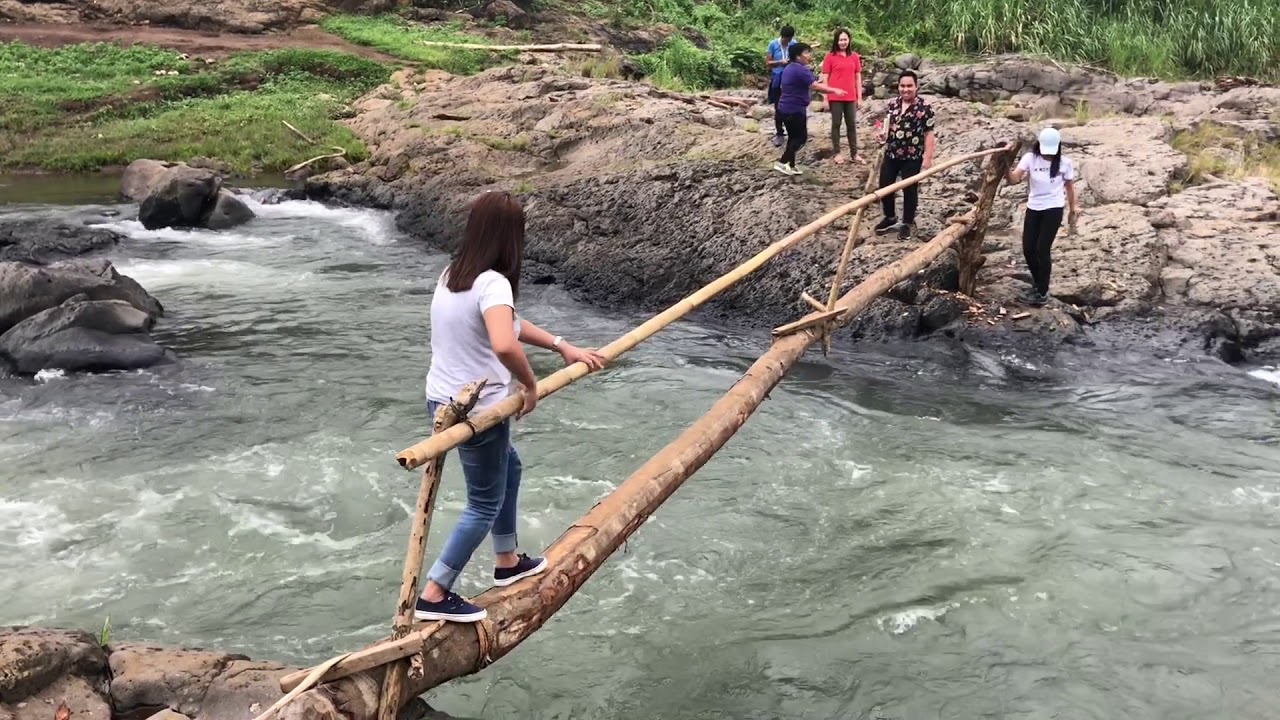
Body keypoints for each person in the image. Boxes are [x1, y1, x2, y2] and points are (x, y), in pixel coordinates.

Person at [416, 191, 607, 623]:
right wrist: (528, 382)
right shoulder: (494, 282)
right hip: (479, 410)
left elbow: (509, 325)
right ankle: (434, 592)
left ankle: (507, 561)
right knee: (482, 503)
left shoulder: (453, 275)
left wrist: (563, 346)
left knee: (511, 467)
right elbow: (503, 341)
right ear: (511, 238)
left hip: (440, 398)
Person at [1006, 127, 1079, 307]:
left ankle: (1042, 291)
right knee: (1028, 248)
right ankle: (1038, 283)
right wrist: (1005, 166)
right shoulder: (1030, 158)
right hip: (1034, 207)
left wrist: (1073, 209)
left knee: (1042, 248)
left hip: (1053, 208)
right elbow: (1014, 179)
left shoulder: (1064, 163)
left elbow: (1070, 187)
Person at [869, 70, 935, 240]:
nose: (906, 89)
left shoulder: (925, 108)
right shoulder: (892, 104)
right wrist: (880, 134)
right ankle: (890, 217)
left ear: (916, 87)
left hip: (912, 156)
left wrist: (928, 158)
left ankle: (907, 222)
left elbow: (929, 134)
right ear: (898, 87)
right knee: (885, 186)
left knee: (909, 189)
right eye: (902, 86)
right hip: (891, 153)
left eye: (909, 86)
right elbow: (882, 124)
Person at [773, 43, 848, 176]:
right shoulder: (800, 69)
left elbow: (810, 83)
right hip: (794, 110)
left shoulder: (790, 68)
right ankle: (783, 162)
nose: (809, 56)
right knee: (800, 138)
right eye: (807, 53)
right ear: (798, 56)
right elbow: (814, 86)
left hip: (784, 109)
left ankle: (791, 165)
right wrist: (834, 90)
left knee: (793, 138)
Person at [819, 28, 863, 166]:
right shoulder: (830, 57)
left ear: (849, 40)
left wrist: (859, 97)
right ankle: (837, 153)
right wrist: (825, 98)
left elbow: (857, 78)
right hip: (835, 96)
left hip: (850, 96)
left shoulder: (854, 56)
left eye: (845, 39)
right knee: (836, 124)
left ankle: (854, 153)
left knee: (851, 125)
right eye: (840, 40)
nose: (843, 42)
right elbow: (824, 78)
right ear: (836, 41)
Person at [764, 25, 796, 148]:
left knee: (791, 104)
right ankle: (779, 133)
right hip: (777, 77)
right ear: (782, 37)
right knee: (778, 106)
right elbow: (768, 63)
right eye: (785, 39)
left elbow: (798, 59)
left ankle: (792, 131)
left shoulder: (793, 44)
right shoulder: (773, 44)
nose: (787, 42)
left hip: (790, 77)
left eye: (789, 40)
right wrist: (779, 62)